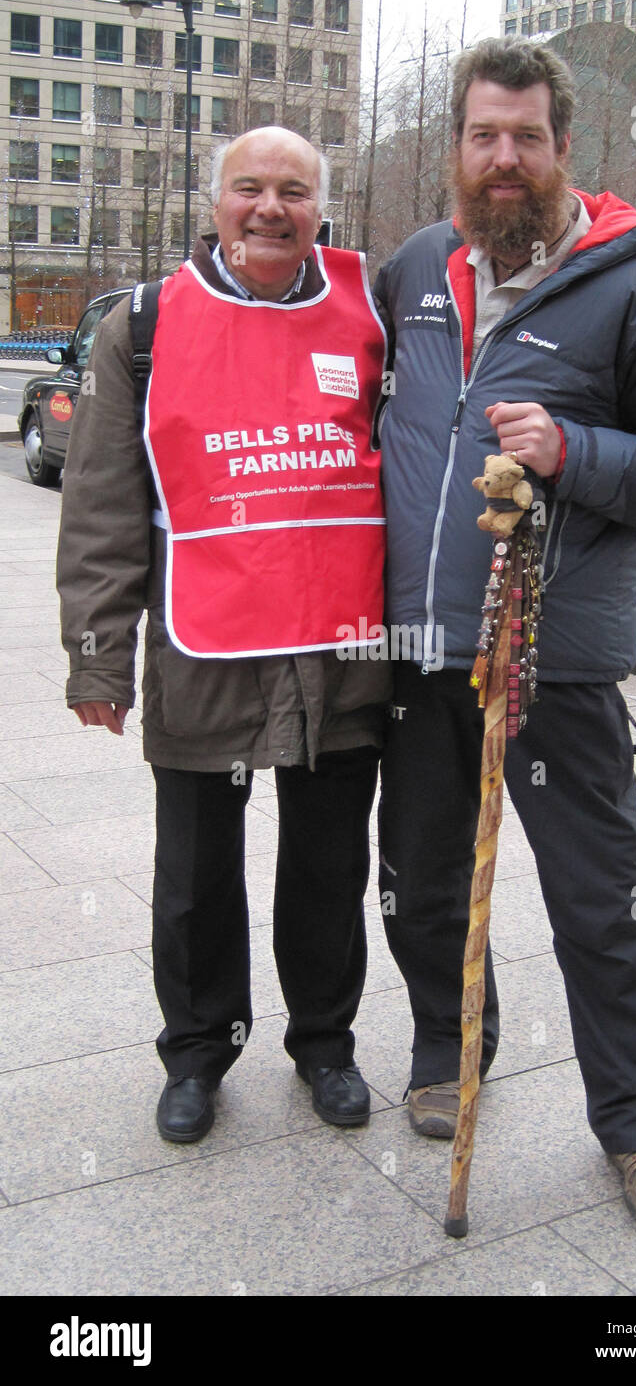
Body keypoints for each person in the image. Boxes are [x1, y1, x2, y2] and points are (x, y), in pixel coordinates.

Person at [374, 39, 636, 1229]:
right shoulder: (417, 270)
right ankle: (449, 1049)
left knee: (603, 900)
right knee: (420, 880)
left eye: (525, 137)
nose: (503, 158)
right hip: (422, 647)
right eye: (484, 135)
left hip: (553, 656)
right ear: (457, 146)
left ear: (562, 150)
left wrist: (575, 452)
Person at [57, 127, 390, 1143]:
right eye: (249, 188)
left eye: (293, 191)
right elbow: (104, 501)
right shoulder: (146, 325)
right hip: (206, 643)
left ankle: (325, 1044)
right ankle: (198, 1051)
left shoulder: (370, 313)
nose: (269, 209)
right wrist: (97, 653)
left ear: (319, 208)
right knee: (197, 870)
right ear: (216, 202)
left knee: (329, 865)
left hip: (341, 649)